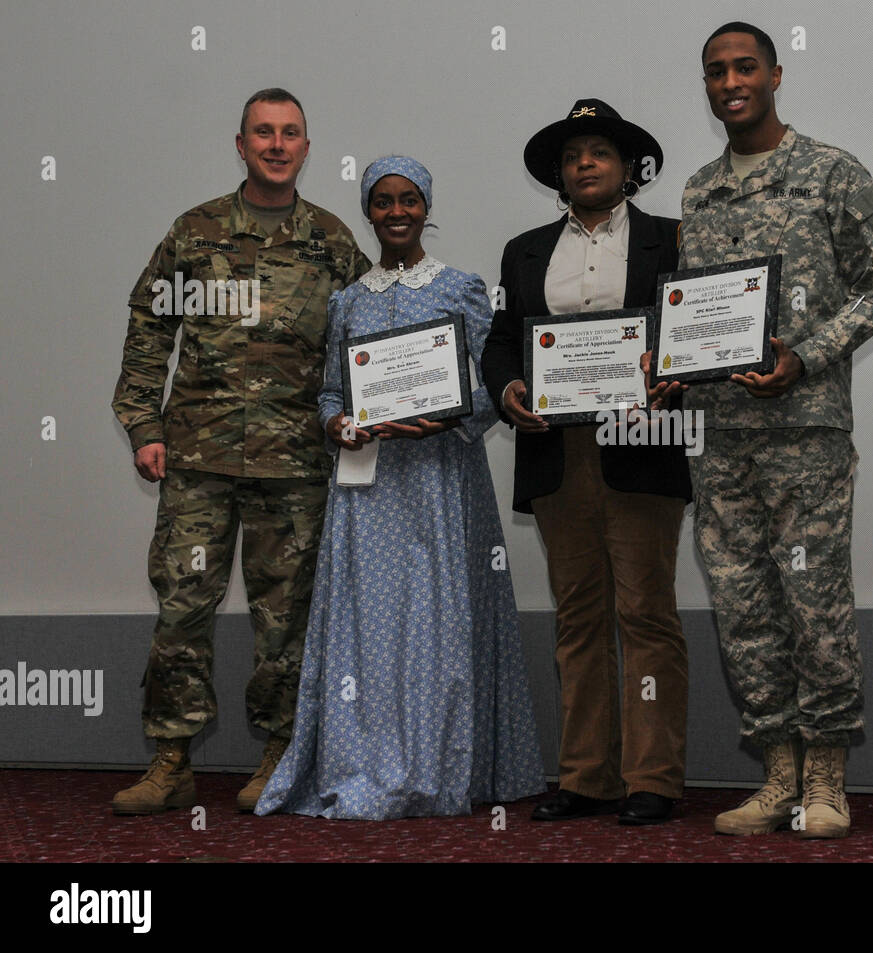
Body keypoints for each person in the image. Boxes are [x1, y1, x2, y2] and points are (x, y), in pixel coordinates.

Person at [666, 23, 873, 838]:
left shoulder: (832, 172)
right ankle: (775, 775)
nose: (730, 82)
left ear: (775, 74)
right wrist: (672, 365)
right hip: (718, 434)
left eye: (744, 67)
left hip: (805, 428)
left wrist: (806, 355)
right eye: (715, 72)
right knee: (742, 603)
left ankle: (828, 779)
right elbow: (697, 317)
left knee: (816, 602)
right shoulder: (697, 191)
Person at [256, 157, 546, 819]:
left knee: (440, 622)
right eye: (383, 201)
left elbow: (491, 387)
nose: (396, 212)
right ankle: (366, 760)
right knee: (371, 628)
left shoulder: (462, 288)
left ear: (425, 206)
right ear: (369, 209)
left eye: (408, 200)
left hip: (442, 479)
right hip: (369, 488)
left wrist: (445, 416)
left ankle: (442, 767)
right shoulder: (348, 301)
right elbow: (332, 390)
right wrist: (338, 422)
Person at [110, 88, 370, 815]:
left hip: (294, 467)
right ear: (241, 142)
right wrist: (143, 423)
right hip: (196, 459)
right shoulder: (194, 233)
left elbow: (363, 344)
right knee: (182, 610)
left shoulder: (330, 240)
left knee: (286, 620)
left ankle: (278, 756)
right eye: (264, 132)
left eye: (290, 133)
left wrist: (362, 418)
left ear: (306, 148)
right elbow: (148, 324)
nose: (277, 144)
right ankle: (170, 760)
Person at [481, 100, 691, 825]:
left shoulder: (674, 239)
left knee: (646, 612)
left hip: (644, 441)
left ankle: (652, 777)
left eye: (599, 151)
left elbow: (692, 330)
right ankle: (585, 775)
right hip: (555, 449)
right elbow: (503, 337)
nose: (585, 164)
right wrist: (507, 388)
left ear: (630, 167)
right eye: (573, 157)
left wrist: (673, 369)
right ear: (559, 176)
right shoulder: (525, 250)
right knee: (578, 616)